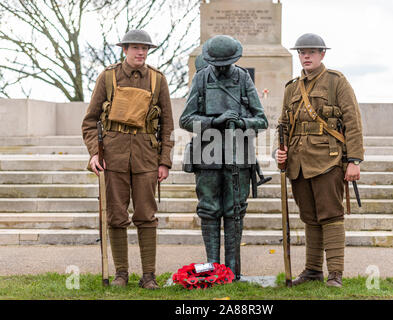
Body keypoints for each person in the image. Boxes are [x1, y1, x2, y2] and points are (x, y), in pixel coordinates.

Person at [82, 29, 174, 289]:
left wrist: (164, 161)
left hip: (146, 157)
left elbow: (167, 125)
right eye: (135, 47)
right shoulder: (108, 77)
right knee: (116, 216)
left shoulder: (158, 80)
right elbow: (89, 122)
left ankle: (149, 276)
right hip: (113, 156)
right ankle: (121, 274)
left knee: (146, 215)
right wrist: (94, 153)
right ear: (125, 50)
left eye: (144, 48)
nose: (141, 52)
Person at [276, 33, 364, 287]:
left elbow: (352, 122)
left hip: (328, 159)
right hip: (298, 163)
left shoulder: (337, 82)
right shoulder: (292, 87)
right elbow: (283, 124)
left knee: (331, 215)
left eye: (311, 52)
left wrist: (354, 160)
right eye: (302, 52)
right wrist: (280, 151)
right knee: (309, 217)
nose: (306, 56)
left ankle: (335, 273)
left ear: (322, 54)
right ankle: (313, 270)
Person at [179, 35, 268, 280]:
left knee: (235, 210)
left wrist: (241, 121)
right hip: (207, 154)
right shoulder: (201, 78)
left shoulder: (243, 79)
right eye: (217, 64)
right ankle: (212, 268)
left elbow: (261, 121)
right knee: (208, 211)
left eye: (225, 64)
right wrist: (212, 121)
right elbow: (186, 119)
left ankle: (231, 269)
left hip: (238, 156)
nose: (220, 69)